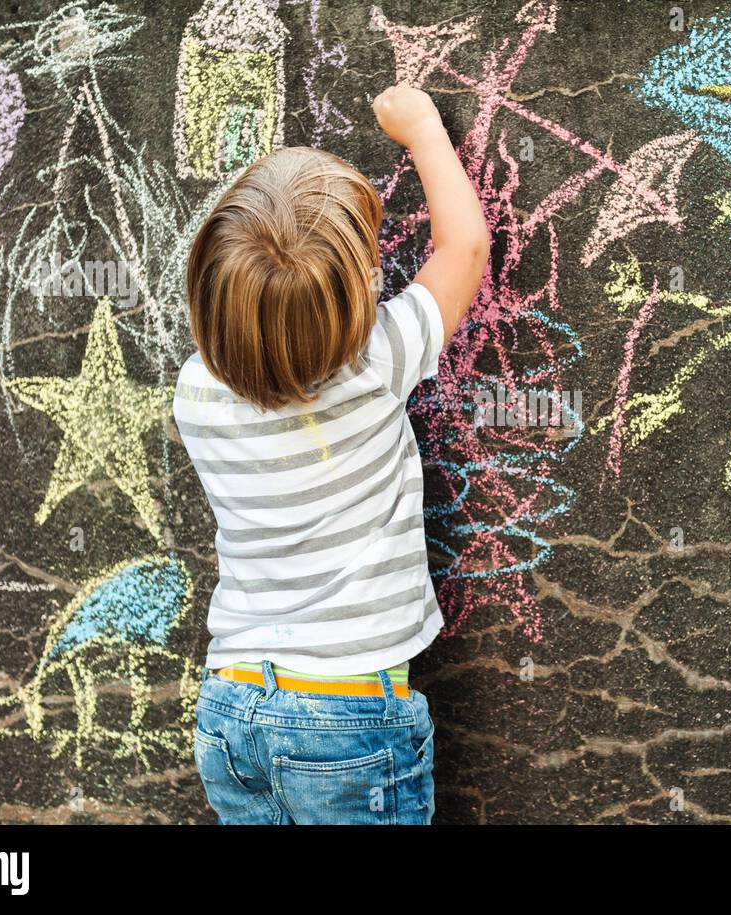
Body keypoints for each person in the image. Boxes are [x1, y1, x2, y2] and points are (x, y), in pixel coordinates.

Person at [173, 85, 489, 824]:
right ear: (357, 305)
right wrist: (422, 130)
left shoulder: (195, 392)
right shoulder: (376, 364)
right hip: (345, 722)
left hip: (230, 708)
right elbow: (465, 248)